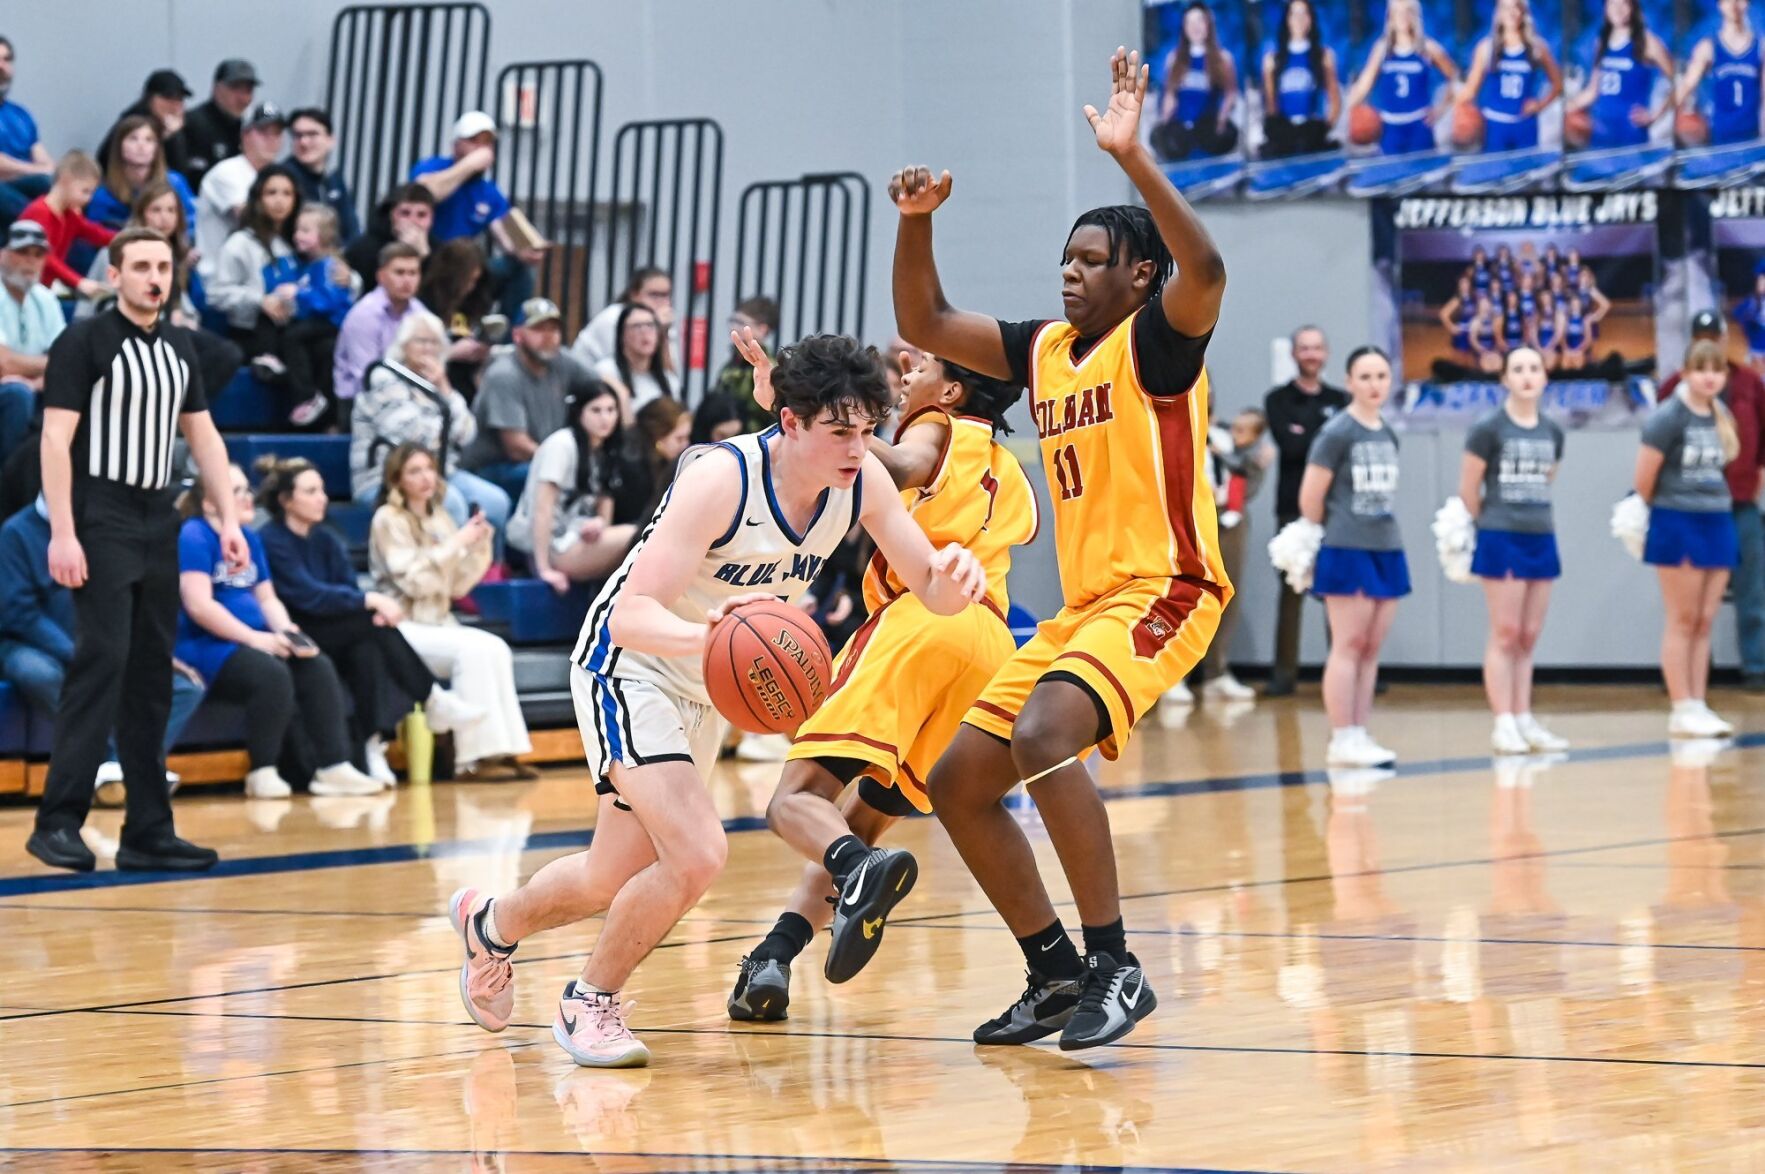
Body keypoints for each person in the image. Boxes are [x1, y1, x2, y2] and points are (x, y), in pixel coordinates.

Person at [443, 333, 987, 1069]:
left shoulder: (860, 481)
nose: (858, 449)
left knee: (610, 874)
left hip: (707, 682)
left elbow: (927, 582)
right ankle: (587, 1003)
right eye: (839, 432)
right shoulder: (719, 479)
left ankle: (489, 924)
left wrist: (955, 578)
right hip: (629, 665)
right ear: (790, 424)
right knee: (698, 854)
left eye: (867, 431)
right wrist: (711, 643)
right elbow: (630, 612)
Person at [892, 47, 1229, 1051]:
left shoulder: (1161, 339)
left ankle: (1116, 962)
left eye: (1092, 263)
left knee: (1043, 739)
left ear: (1139, 275)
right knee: (955, 779)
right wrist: (917, 222)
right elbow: (923, 319)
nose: (1072, 275)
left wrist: (1132, 158)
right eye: (1065, 264)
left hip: (1167, 587)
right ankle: (1052, 972)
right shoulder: (1044, 351)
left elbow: (1205, 267)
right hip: (1087, 606)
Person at [729, 339, 1036, 1017]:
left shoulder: (935, 428)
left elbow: (904, 465)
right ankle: (772, 960)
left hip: (923, 618)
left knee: (794, 800)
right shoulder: (1005, 464)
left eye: (922, 370)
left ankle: (849, 878)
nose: (906, 380)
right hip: (988, 646)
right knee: (859, 827)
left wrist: (803, 410)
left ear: (951, 391)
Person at [27, 227, 241, 873]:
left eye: (164, 267)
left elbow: (204, 438)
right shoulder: (83, 340)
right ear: (114, 273)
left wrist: (226, 515)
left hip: (160, 516)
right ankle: (58, 821)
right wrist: (63, 531)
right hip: (103, 512)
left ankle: (148, 829)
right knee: (104, 659)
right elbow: (55, 441)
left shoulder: (178, 346)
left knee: (152, 670)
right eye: (141, 266)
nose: (155, 277)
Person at [257, 454, 484, 782]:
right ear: (286, 500)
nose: (322, 497)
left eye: (322, 490)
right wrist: (369, 601)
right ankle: (431, 699)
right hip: (297, 631)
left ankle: (371, 746)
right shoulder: (272, 540)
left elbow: (345, 588)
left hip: (337, 628)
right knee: (369, 626)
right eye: (310, 491)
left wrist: (367, 607)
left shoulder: (326, 539)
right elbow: (308, 595)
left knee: (370, 648)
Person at [175, 464, 383, 799]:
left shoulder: (251, 539)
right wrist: (255, 638)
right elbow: (199, 605)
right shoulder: (194, 535)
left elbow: (267, 598)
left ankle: (334, 766)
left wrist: (287, 633)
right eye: (236, 491)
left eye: (246, 489)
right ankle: (263, 770)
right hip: (206, 645)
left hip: (253, 639)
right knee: (271, 674)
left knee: (316, 665)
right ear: (211, 503)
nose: (247, 497)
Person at [0, 495, 204, 807]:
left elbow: (127, 598)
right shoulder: (15, 532)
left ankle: (122, 767)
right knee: (40, 674)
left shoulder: (102, 527)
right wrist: (78, 653)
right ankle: (114, 764)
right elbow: (19, 613)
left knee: (183, 687)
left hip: (98, 641)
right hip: (27, 644)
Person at [369, 443, 534, 778]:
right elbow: (413, 582)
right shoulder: (388, 519)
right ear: (397, 479)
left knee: (495, 647)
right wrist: (457, 543)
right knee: (471, 651)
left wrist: (479, 547)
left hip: (440, 620)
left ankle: (502, 752)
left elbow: (457, 587)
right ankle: (470, 760)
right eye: (414, 471)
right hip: (403, 624)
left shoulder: (440, 518)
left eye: (429, 468)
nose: (426, 477)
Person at [1459, 346, 1571, 755]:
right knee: (1505, 633)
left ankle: (1524, 717)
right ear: (1504, 378)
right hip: (1500, 535)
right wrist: (1489, 523)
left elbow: (1548, 478)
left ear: (1544, 377)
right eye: (1518, 369)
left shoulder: (1553, 430)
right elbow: (1469, 489)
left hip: (1540, 535)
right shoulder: (1488, 428)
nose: (1526, 376)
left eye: (1534, 369)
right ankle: (1502, 721)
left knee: (1528, 635)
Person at [1300, 346, 1407, 769]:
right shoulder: (1337, 432)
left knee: (1371, 647)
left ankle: (1360, 732)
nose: (1374, 384)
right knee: (1348, 645)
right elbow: (1311, 497)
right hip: (1346, 547)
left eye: (1381, 376)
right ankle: (1342, 736)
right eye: (1365, 377)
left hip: (1388, 547)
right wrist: (1323, 538)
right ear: (1349, 383)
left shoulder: (1388, 432)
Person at [1638, 340, 1742, 737]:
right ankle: (1681, 706)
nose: (1710, 376)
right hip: (1677, 520)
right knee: (1682, 619)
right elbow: (1644, 479)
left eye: (1717, 369)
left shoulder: (1721, 415)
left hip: (1717, 521)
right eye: (1701, 369)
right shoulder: (1667, 418)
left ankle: (1698, 703)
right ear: (1685, 373)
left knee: (1704, 621)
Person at [1657, 311, 1765, 692]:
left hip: (1737, 502)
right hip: (1688, 507)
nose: (1708, 341)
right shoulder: (1674, 388)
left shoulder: (1749, 383)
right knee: (1689, 603)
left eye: (1713, 335)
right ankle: (1686, 679)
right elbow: (1655, 453)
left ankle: (1756, 665)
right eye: (1700, 335)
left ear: (1723, 338)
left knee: (1753, 587)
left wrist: (1756, 479)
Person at [351, 310, 509, 535]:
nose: (427, 348)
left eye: (434, 342)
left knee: (496, 503)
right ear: (403, 345)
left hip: (441, 473)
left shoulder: (436, 385)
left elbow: (466, 434)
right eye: (420, 341)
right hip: (387, 478)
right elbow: (411, 438)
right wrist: (444, 428)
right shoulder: (384, 378)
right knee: (452, 504)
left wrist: (445, 388)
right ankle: (450, 568)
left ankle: (490, 569)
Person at [1264, 325, 1348, 696]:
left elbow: (1340, 451)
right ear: (1295, 355)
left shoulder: (1341, 400)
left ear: (1326, 353)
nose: (1311, 354)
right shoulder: (1278, 400)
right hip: (1292, 509)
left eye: (1317, 347)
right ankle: (1284, 678)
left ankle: (1345, 673)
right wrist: (1325, 436)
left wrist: (1309, 434)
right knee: (1291, 594)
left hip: (1336, 509)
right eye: (1304, 348)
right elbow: (1291, 446)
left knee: (1338, 594)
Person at [1171, 406, 1269, 703]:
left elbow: (1248, 469)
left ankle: (1217, 671)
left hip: (1228, 516)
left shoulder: (1229, 434)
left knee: (1227, 594)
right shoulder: (1172, 427)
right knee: (1185, 595)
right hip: (1188, 515)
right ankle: (1175, 676)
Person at [505, 379, 638, 589]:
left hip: (579, 538)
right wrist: (543, 569)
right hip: (552, 547)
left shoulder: (606, 449)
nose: (605, 418)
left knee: (644, 538)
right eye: (596, 410)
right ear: (579, 413)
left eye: (611, 410)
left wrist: (599, 524)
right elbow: (543, 508)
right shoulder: (561, 445)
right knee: (640, 535)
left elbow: (605, 506)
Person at [410, 112, 541, 320]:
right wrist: (469, 165)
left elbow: (505, 235)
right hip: (429, 259)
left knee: (518, 269)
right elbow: (425, 194)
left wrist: (523, 250)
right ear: (456, 145)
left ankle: (504, 336)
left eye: (487, 143)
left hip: (467, 265)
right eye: (473, 141)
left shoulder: (489, 192)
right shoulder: (432, 167)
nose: (482, 149)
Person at [122, 182, 242, 396]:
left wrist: (183, 316)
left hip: (167, 330)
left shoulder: (177, 257)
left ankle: (179, 414)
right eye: (156, 210)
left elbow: (180, 303)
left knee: (227, 354)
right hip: (130, 332)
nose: (164, 217)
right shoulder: (121, 252)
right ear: (142, 214)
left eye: (171, 210)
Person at [464, 298, 589, 500]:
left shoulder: (562, 361)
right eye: (539, 329)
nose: (548, 337)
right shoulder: (504, 374)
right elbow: (516, 447)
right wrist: (564, 463)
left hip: (537, 460)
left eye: (554, 329)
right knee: (556, 478)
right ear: (517, 335)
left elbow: (599, 384)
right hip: (494, 467)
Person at [268, 204, 360, 426]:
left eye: (306, 231)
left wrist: (297, 293)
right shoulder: (311, 265)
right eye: (298, 229)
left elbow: (327, 302)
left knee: (293, 335)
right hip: (322, 321)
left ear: (325, 235)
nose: (298, 235)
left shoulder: (330, 266)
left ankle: (307, 396)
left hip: (334, 322)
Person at [206, 163, 298, 372]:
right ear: (258, 198)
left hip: (292, 329)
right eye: (271, 193)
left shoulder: (297, 241)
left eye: (287, 193)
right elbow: (215, 294)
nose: (279, 200)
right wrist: (259, 300)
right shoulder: (240, 243)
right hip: (252, 333)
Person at [1343, 0, 1460, 156]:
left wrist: (1441, 109)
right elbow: (1364, 85)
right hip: (1390, 127)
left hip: (1419, 125)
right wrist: (1345, 110)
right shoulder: (1382, 48)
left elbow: (1454, 75)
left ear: (1415, 15)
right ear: (1389, 17)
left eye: (1407, 11)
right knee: (1392, 176)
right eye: (1397, 12)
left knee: (1420, 176)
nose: (1402, 16)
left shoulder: (1427, 47)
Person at [1566, 0, 1675, 150]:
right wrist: (1566, 108)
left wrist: (1655, 114)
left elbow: (1678, 82)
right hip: (1601, 131)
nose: (1618, 9)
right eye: (1612, 4)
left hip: (1630, 133)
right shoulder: (1601, 42)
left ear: (1633, 7)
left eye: (1624, 4)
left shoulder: (1647, 41)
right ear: (1605, 8)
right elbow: (1592, 91)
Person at [194, 103, 285, 279]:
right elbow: (252, 220)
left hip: (258, 277)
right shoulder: (228, 171)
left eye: (277, 133)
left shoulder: (276, 174)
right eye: (263, 132)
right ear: (245, 135)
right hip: (217, 280)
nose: (271, 139)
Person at [1458, 0, 1562, 154]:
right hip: (1495, 124)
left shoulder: (1537, 47)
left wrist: (1540, 104)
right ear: (1498, 13)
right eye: (1506, 8)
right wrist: (1456, 105)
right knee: (1495, 174)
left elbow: (1558, 85)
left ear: (1523, 12)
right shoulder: (1486, 47)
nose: (1511, 13)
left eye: (1516, 7)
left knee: (1526, 174)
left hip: (1525, 125)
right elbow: (1471, 91)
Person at [335, 241, 427, 407]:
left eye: (413, 273)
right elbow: (366, 376)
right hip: (361, 403)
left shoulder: (421, 314)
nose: (407, 280)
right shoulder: (364, 315)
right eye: (399, 273)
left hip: (409, 398)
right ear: (381, 276)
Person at [0, 221, 61, 460]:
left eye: (38, 255)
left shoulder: (46, 299)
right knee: (17, 395)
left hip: (32, 388)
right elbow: (3, 364)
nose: (31, 261)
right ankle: (6, 489)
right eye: (22, 252)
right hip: (10, 394)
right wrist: (48, 365)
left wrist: (35, 380)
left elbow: (68, 360)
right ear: (2, 255)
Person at [1151, 2, 1241, 161]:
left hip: (1207, 132)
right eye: (1190, 22)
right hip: (1181, 133)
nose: (1195, 27)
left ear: (1208, 25)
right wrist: (1164, 124)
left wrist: (1221, 120)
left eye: (1200, 21)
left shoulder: (1223, 59)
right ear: (1184, 27)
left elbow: (1230, 93)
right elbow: (1170, 95)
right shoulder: (1174, 58)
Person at [17, 152, 113, 298]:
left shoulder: (70, 215)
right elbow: (44, 257)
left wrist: (130, 238)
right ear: (65, 181)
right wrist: (78, 281)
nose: (89, 198)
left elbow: (96, 233)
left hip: (41, 289)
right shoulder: (39, 212)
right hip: (22, 287)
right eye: (85, 191)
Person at [1260, 0, 1342, 158]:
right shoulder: (1272, 59)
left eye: (1304, 14)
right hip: (1284, 133)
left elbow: (1335, 100)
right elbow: (1271, 105)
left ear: (1311, 20)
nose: (1299, 19)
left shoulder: (1324, 56)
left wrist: (1324, 129)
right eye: (1294, 14)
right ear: (1287, 20)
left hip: (1310, 132)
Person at [86, 115, 196, 231]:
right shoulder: (103, 195)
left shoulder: (175, 183)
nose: (141, 146)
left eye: (149, 140)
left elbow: (193, 223)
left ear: (157, 148)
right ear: (119, 146)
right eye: (133, 139)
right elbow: (92, 236)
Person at [98, 69, 194, 180]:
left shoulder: (183, 124)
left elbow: (181, 174)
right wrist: (168, 138)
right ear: (150, 98)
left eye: (180, 99)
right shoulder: (132, 122)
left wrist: (175, 136)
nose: (174, 105)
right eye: (168, 98)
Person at [572, 266, 674, 369]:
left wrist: (663, 333)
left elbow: (668, 373)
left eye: (665, 295)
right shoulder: (614, 317)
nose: (661, 302)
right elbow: (626, 366)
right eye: (654, 295)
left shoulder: (662, 322)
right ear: (634, 295)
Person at [180, 58, 260, 189]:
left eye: (248, 90)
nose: (243, 98)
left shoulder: (251, 128)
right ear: (216, 88)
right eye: (235, 88)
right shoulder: (192, 124)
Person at [283, 108, 359, 243]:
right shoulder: (284, 178)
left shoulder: (334, 179)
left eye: (312, 134)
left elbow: (352, 230)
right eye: (298, 135)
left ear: (331, 140)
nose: (304, 142)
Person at [612, 396, 690, 526]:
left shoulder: (661, 461)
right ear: (658, 435)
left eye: (687, 437)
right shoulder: (634, 465)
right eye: (679, 439)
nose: (686, 445)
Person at [0, 37, 53, 228]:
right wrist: (34, 171)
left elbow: (46, 163)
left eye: (6, 60)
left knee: (53, 184)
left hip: (21, 186)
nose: (2, 67)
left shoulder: (21, 114)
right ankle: (42, 223)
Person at [593, 302, 673, 418]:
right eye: (637, 326)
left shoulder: (669, 381)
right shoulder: (606, 372)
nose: (645, 332)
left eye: (650, 325)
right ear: (621, 335)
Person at [343, 183, 435, 285]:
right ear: (391, 215)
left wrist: (426, 259)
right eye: (405, 213)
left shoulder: (441, 252)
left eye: (421, 215)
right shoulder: (363, 249)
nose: (413, 221)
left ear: (431, 219)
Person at [712, 296, 778, 429]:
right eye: (732, 321)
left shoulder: (768, 368)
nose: (733, 328)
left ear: (762, 329)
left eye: (740, 323)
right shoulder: (733, 362)